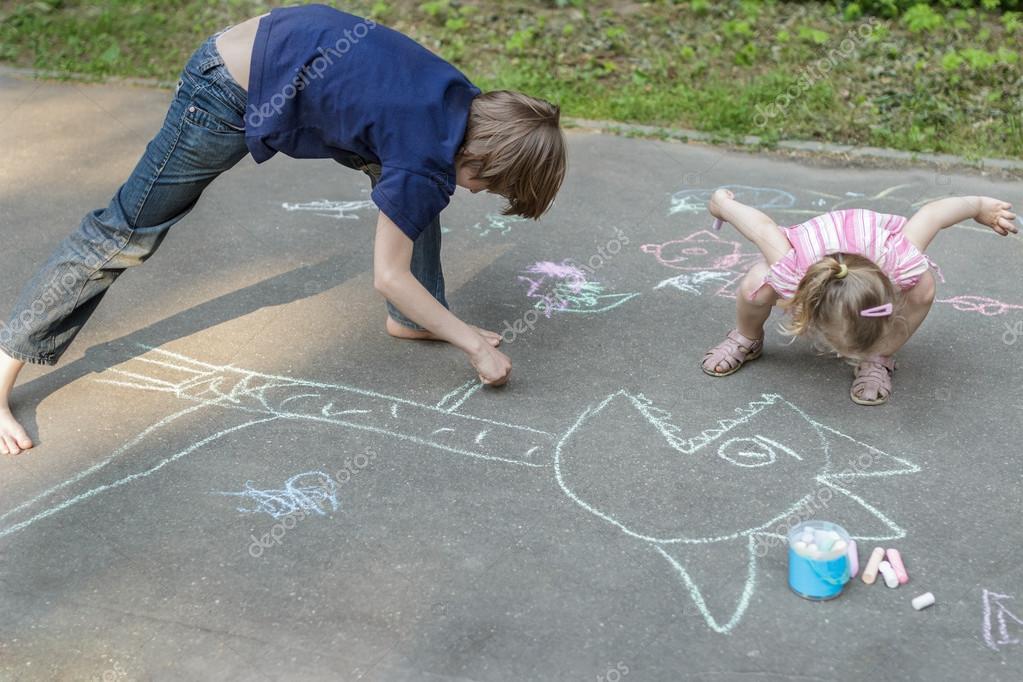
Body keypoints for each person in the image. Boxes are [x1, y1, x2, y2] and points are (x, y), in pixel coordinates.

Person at [0, 4, 567, 455]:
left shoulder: (462, 103)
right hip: (226, 87)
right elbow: (387, 275)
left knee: (419, 191)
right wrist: (473, 344)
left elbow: (417, 159)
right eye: (488, 186)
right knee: (123, 234)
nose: (476, 193)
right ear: (486, 157)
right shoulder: (426, 158)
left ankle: (415, 320)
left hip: (281, 45)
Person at [700, 188, 1017, 405]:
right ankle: (747, 336)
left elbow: (933, 214)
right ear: (812, 313)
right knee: (757, 283)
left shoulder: (898, 259)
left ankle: (879, 356)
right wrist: (722, 205)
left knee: (924, 286)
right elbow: (760, 227)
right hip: (818, 244)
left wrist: (978, 206)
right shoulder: (792, 268)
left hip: (871, 240)